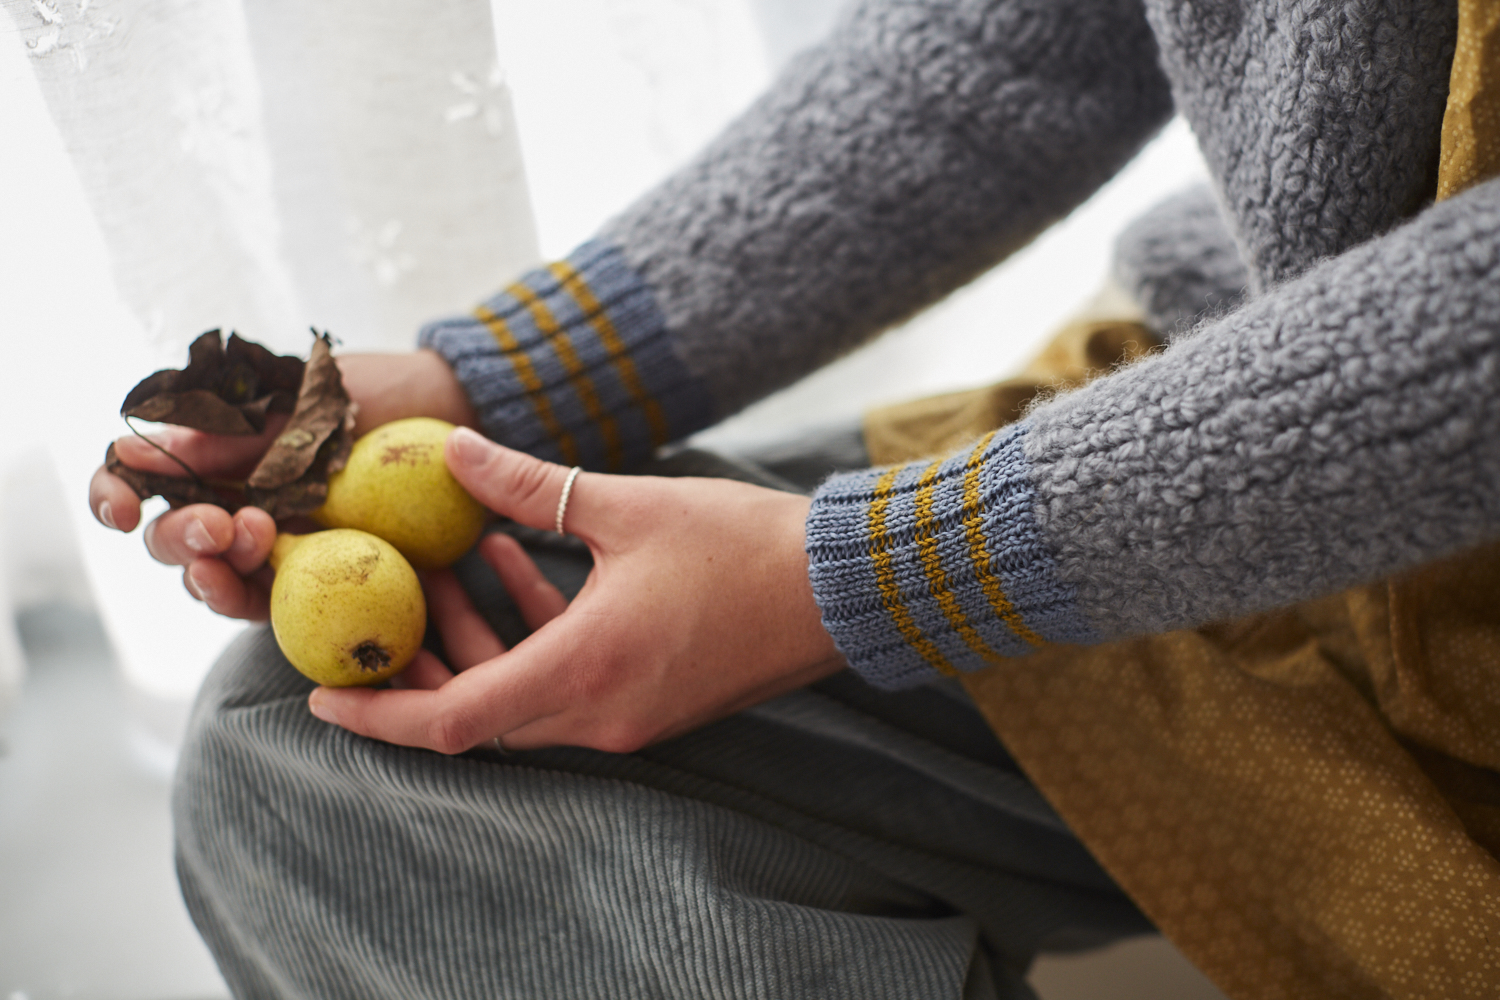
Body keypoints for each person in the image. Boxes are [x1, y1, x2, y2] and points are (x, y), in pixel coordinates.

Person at [88, 0, 1500, 996]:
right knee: (297, 753)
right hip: (1220, 433)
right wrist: (488, 385)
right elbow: (1019, 45)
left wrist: (877, 576)